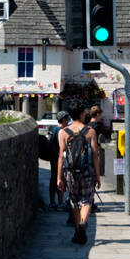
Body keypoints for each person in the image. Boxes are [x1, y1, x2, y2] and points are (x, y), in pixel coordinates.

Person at [57, 99, 101, 245]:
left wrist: (59, 177)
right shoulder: (90, 132)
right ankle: (83, 223)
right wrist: (97, 175)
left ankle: (78, 232)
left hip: (70, 172)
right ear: (83, 114)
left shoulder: (63, 132)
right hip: (87, 170)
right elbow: (95, 154)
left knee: (74, 201)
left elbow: (61, 157)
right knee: (87, 200)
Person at [47, 111, 70, 211]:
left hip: (53, 157)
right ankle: (60, 203)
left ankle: (52, 202)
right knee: (60, 180)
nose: (69, 121)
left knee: (53, 180)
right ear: (64, 119)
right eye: (68, 119)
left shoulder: (53, 129)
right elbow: (63, 147)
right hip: (59, 158)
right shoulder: (61, 131)